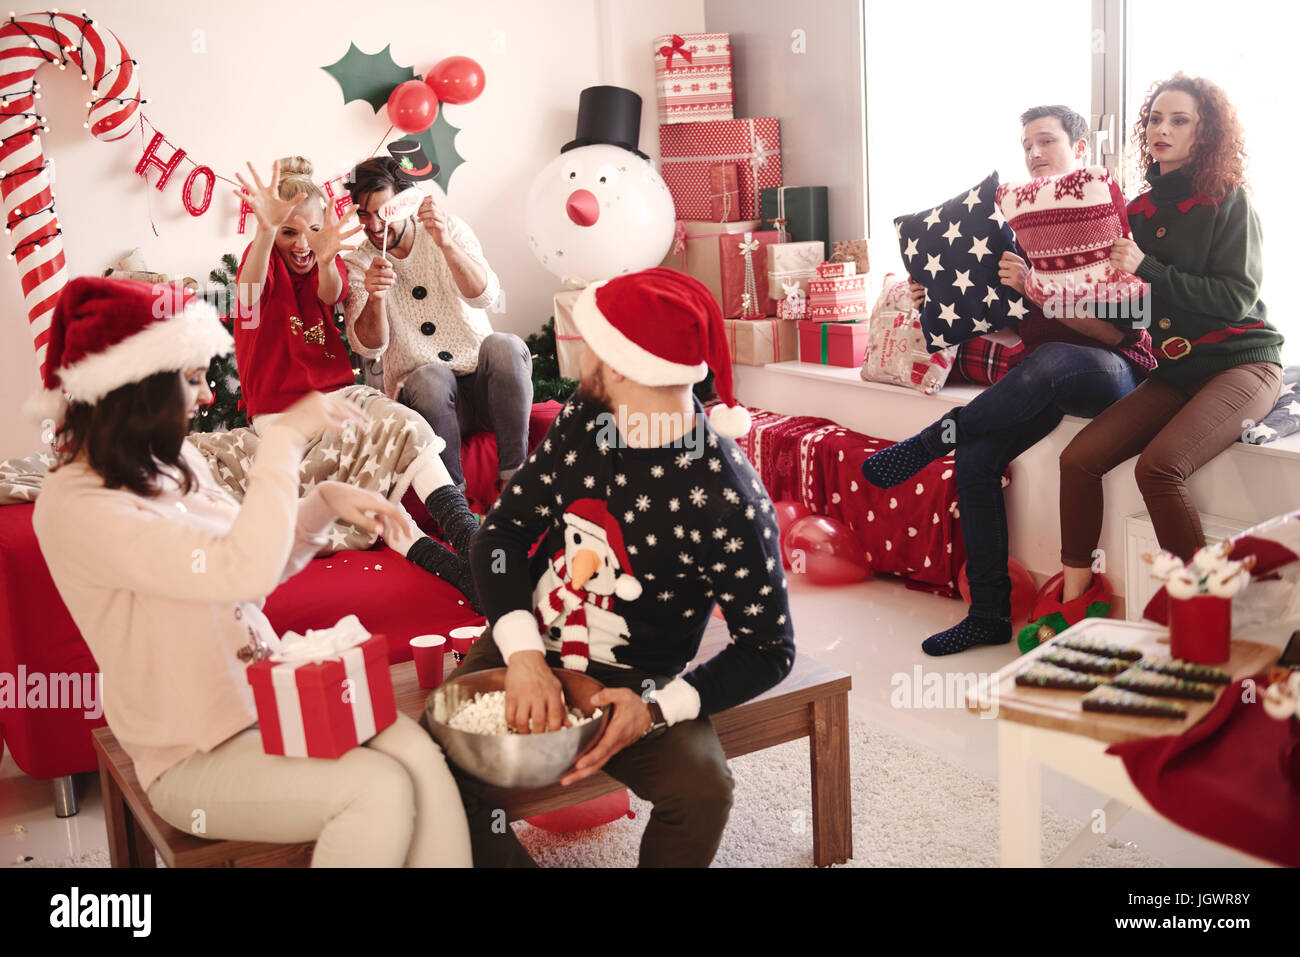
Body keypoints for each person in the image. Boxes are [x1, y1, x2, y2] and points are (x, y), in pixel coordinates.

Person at [31, 277, 472, 867]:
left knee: (420, 755)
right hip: (192, 755)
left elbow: (254, 558)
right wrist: (284, 438)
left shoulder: (176, 461)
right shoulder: (76, 506)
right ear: (137, 390)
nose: (207, 396)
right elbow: (238, 571)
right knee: (377, 790)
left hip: (270, 702)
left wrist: (324, 504)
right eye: (191, 379)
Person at [446, 268, 795, 867]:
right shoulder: (586, 419)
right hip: (530, 640)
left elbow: (769, 648)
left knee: (703, 791)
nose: (580, 354)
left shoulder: (727, 497)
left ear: (624, 365)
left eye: (593, 344)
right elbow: (502, 533)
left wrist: (655, 709)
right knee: (433, 764)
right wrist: (524, 654)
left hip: (637, 685)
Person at [859, 105, 1156, 656]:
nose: (1035, 153)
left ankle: (931, 439)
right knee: (974, 458)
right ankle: (989, 614)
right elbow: (988, 315)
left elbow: (1119, 336)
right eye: (1026, 145)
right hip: (1046, 375)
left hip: (1117, 371)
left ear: (1081, 150)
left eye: (1047, 140)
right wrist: (933, 296)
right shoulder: (1013, 229)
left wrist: (1040, 287)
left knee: (1050, 360)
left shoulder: (1106, 214)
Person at [1043, 73, 1284, 626]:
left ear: (1207, 133)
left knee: (1159, 468)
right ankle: (1073, 601)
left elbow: (1233, 299)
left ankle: (1207, 617)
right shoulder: (1138, 210)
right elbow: (1134, 314)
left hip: (1242, 361)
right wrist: (1059, 288)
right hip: (1177, 368)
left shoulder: (1228, 202)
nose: (1162, 129)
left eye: (1180, 120)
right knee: (1078, 459)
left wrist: (1145, 269)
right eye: (1155, 119)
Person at [231, 157, 481, 605]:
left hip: (338, 396)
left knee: (401, 423)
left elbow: (331, 293)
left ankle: (468, 543)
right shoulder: (262, 268)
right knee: (362, 488)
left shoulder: (331, 265)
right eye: (289, 232)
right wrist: (265, 233)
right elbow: (247, 299)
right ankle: (455, 565)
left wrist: (326, 256)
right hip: (283, 418)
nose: (301, 243)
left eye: (311, 229)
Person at [341, 157, 533, 494]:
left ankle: (513, 483)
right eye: (363, 213)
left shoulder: (450, 230)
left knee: (505, 345)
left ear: (406, 201)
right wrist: (375, 297)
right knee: (431, 376)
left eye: (383, 211)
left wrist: (446, 244)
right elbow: (368, 347)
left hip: (484, 388)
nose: (373, 225)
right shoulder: (358, 263)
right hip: (426, 396)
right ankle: (454, 501)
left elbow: (484, 297)